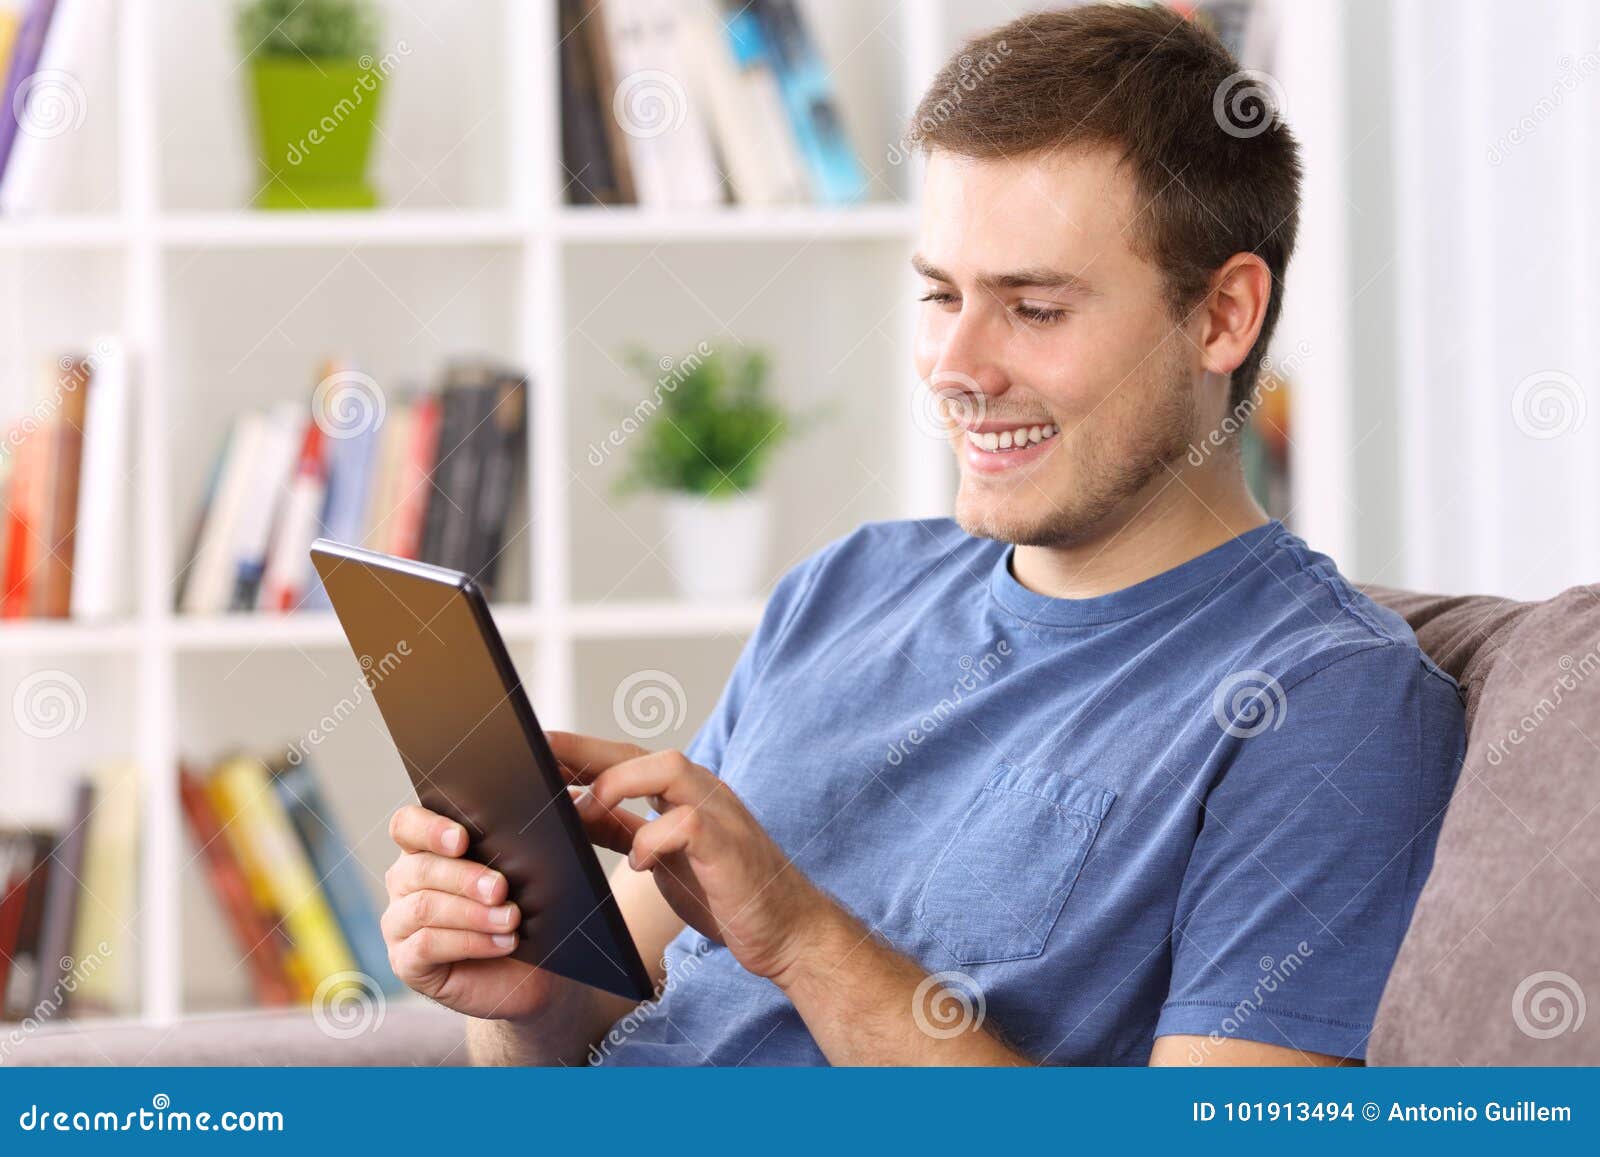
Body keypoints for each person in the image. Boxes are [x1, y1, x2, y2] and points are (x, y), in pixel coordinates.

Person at [379, 3, 1465, 1066]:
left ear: (1221, 317)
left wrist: (803, 938)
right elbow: (586, 1029)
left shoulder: (1331, 703)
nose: (957, 365)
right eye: (941, 295)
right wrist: (526, 998)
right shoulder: (846, 587)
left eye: (1034, 308)